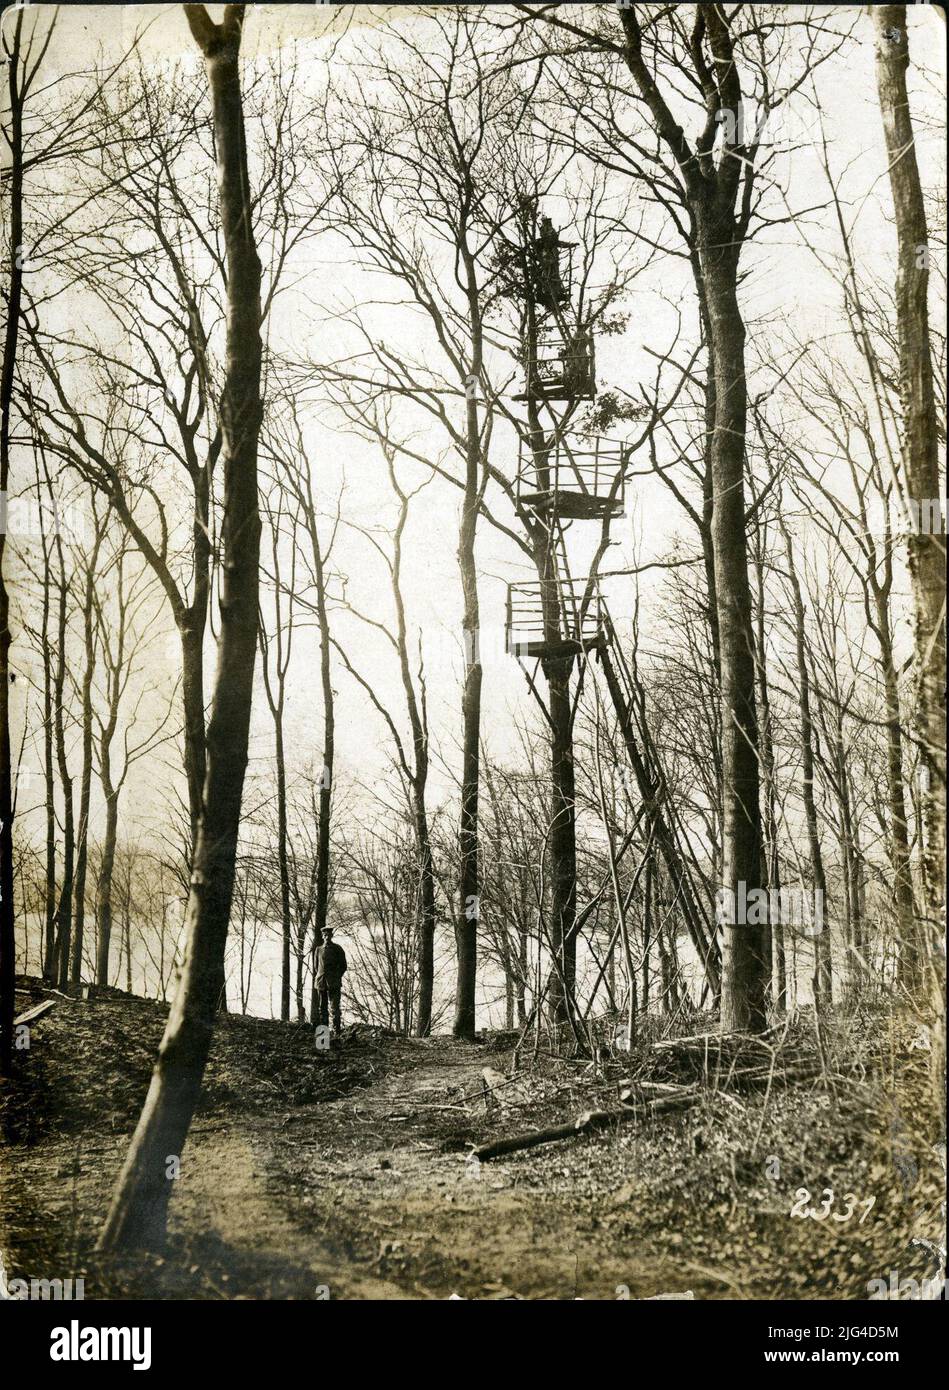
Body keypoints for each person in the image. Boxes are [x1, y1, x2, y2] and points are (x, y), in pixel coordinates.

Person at [315, 926, 347, 1044]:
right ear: (322, 937)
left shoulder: (337, 949)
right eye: (324, 935)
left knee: (335, 1008)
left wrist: (336, 976)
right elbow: (316, 967)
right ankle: (323, 1038)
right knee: (322, 1009)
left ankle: (337, 1034)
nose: (327, 937)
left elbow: (343, 966)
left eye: (329, 935)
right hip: (321, 982)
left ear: (332, 936)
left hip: (334, 983)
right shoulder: (318, 950)